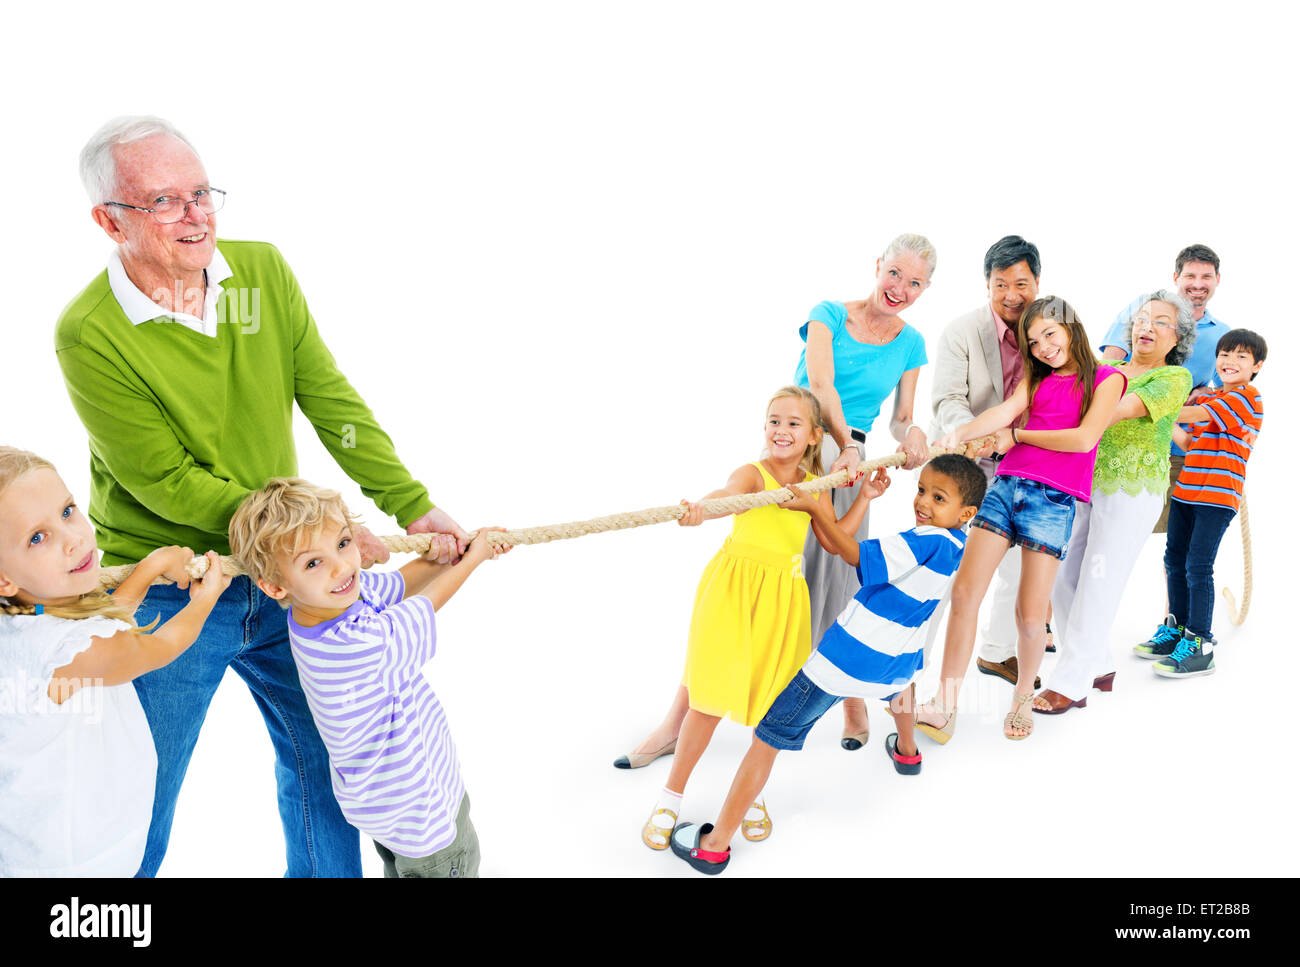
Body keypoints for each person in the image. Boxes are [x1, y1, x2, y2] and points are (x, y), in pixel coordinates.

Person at [56, 116, 468, 877]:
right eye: (165, 201)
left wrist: (408, 501)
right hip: (176, 590)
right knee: (144, 783)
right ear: (109, 221)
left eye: (201, 192)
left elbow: (328, 398)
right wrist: (312, 535)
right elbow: (166, 480)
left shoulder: (263, 273)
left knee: (325, 769)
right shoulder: (90, 332)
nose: (197, 214)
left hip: (292, 585)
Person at [615, 235, 935, 769]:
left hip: (849, 467)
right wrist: (844, 447)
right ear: (877, 266)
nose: (900, 288)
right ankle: (677, 722)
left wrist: (914, 432)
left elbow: (901, 417)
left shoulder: (912, 343)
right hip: (806, 448)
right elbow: (824, 386)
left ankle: (850, 701)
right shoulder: (827, 314)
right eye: (894, 273)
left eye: (915, 282)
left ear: (925, 289)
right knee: (749, 586)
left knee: (838, 582)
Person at [667, 455, 986, 874]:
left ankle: (714, 844)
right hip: (897, 657)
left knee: (768, 737)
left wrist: (819, 506)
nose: (923, 502)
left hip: (843, 662)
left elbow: (845, 550)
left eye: (938, 497)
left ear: (966, 513)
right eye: (922, 490)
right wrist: (851, 503)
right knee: (903, 685)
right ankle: (907, 753)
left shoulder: (922, 540)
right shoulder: (958, 545)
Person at [229, 479, 506, 878]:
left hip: (390, 812)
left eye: (342, 544)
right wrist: (473, 559)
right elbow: (426, 604)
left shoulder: (318, 608)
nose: (342, 567)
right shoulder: (354, 645)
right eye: (313, 562)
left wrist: (455, 549)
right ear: (274, 586)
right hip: (424, 812)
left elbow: (395, 585)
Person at [0, 447, 230, 876]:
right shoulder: (75, 653)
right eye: (37, 537)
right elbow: (158, 647)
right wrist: (206, 599)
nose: (73, 539)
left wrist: (149, 568)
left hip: (28, 848)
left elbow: (98, 624)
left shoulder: (22, 620)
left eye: (67, 511)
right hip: (76, 862)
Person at [640, 386, 847, 851]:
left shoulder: (814, 485)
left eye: (794, 423)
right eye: (774, 420)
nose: (781, 430)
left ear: (815, 435)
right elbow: (728, 495)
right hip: (733, 592)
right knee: (707, 701)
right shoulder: (753, 474)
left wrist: (865, 499)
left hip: (784, 599)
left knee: (770, 703)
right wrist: (702, 509)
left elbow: (833, 541)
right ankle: (670, 797)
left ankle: (749, 794)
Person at [924, 297, 1126, 740]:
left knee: (1030, 617)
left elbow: (1083, 438)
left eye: (1050, 335)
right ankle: (945, 701)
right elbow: (1001, 412)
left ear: (1072, 327)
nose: (1043, 348)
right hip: (1006, 486)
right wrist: (959, 433)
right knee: (964, 592)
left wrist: (1015, 435)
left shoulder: (1109, 379)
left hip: (1053, 502)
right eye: (1033, 342)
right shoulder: (1036, 379)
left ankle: (1020, 701)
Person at [1034, 293, 1195, 713]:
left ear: (1177, 338)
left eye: (1161, 322)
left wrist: (1042, 421)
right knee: (1061, 575)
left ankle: (1070, 684)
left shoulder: (1174, 378)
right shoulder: (1110, 370)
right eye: (1142, 318)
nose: (1147, 326)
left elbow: (1117, 410)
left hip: (1132, 490)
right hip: (1085, 483)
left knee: (1099, 580)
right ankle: (1098, 663)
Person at [929, 235, 1050, 692]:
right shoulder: (961, 332)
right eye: (1001, 284)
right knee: (945, 570)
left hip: (1026, 468)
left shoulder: (1050, 334)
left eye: (1021, 283)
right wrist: (981, 439)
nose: (1012, 295)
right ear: (987, 285)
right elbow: (947, 400)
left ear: (1037, 282)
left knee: (1017, 568)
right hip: (964, 464)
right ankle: (912, 667)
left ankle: (997, 653)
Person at [1135, 329, 1265, 678]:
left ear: (1256, 366)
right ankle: (1176, 630)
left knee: (1197, 565)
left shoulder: (1246, 398)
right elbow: (1189, 441)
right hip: (1187, 490)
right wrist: (1165, 417)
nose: (1230, 361)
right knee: (1174, 559)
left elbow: (1196, 419)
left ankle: (1200, 644)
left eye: (1241, 356)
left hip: (1217, 496)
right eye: (1225, 354)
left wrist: (1151, 399)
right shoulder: (1210, 399)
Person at [1098, 245, 1232, 533]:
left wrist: (1207, 395)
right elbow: (1108, 371)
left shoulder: (1223, 335)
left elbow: (1227, 397)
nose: (1197, 284)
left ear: (1217, 279)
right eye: (1190, 275)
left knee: (1178, 543)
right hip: (1124, 442)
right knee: (1110, 531)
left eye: (1206, 276)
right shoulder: (1142, 310)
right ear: (1176, 276)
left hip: (1178, 451)